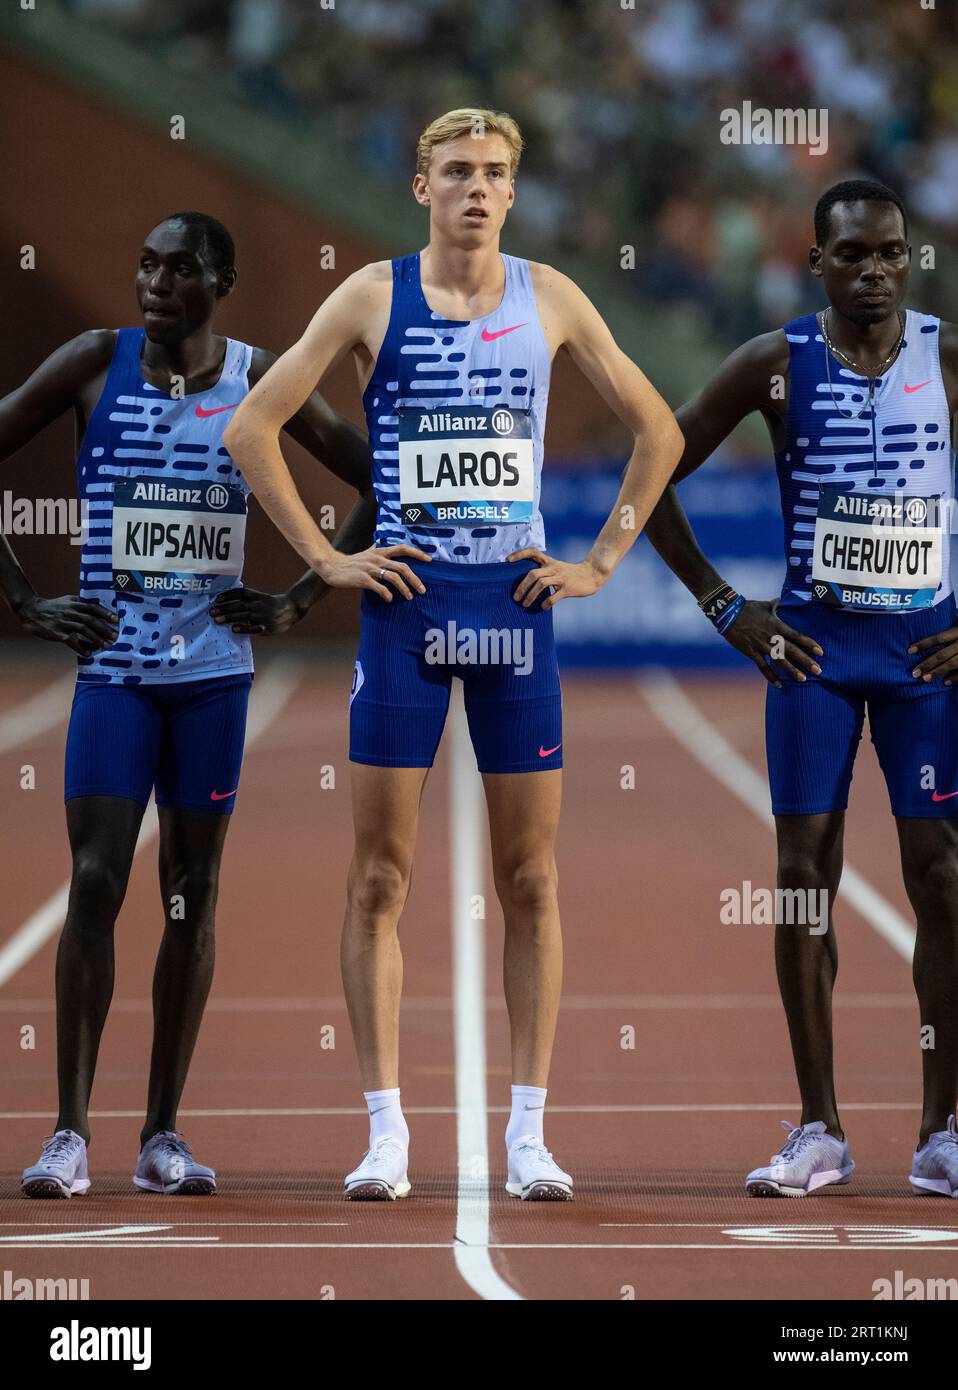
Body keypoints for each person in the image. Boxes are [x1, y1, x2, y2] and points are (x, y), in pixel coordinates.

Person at [224, 108, 683, 1200]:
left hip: (516, 609)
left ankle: (529, 1133)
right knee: (381, 876)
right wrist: (327, 564)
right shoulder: (370, 296)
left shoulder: (553, 298)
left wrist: (601, 563)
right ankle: (386, 1129)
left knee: (529, 878)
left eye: (494, 174)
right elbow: (252, 426)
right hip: (406, 614)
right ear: (420, 185)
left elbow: (658, 431)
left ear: (514, 193)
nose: (476, 190)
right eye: (457, 172)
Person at [7, 212, 407, 1197]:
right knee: (95, 881)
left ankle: (161, 1136)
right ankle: (67, 1134)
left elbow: (378, 473)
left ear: (218, 282)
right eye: (144, 263)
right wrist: (24, 600)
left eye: (178, 268)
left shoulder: (256, 380)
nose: (153, 281)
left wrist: (305, 591)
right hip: (112, 676)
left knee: (191, 895)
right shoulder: (92, 363)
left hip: (213, 681)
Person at [645, 180, 958, 1199]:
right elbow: (652, 464)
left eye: (889, 255)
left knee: (941, 878)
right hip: (814, 654)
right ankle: (818, 1127)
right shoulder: (777, 365)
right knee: (801, 874)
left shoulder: (943, 355)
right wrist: (722, 605)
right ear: (814, 264)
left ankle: (941, 1132)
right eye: (852, 256)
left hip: (922, 658)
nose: (873, 271)